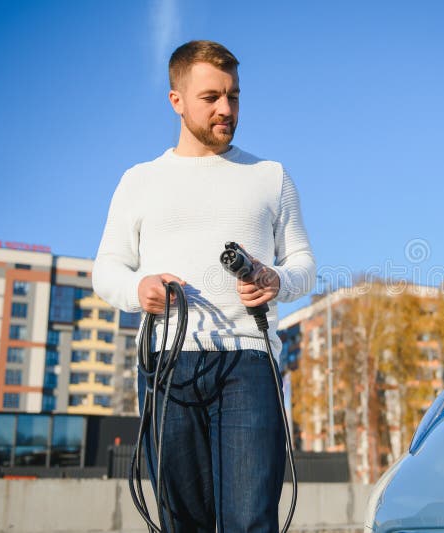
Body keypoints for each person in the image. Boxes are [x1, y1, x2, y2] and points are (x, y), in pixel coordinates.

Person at [92, 40, 315, 532]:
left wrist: (276, 279)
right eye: (211, 97)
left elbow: (303, 264)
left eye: (233, 96)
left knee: (251, 521)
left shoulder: (270, 176)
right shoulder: (139, 180)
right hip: (167, 365)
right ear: (176, 100)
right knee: (181, 522)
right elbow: (105, 269)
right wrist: (140, 289)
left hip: (249, 361)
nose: (226, 109)